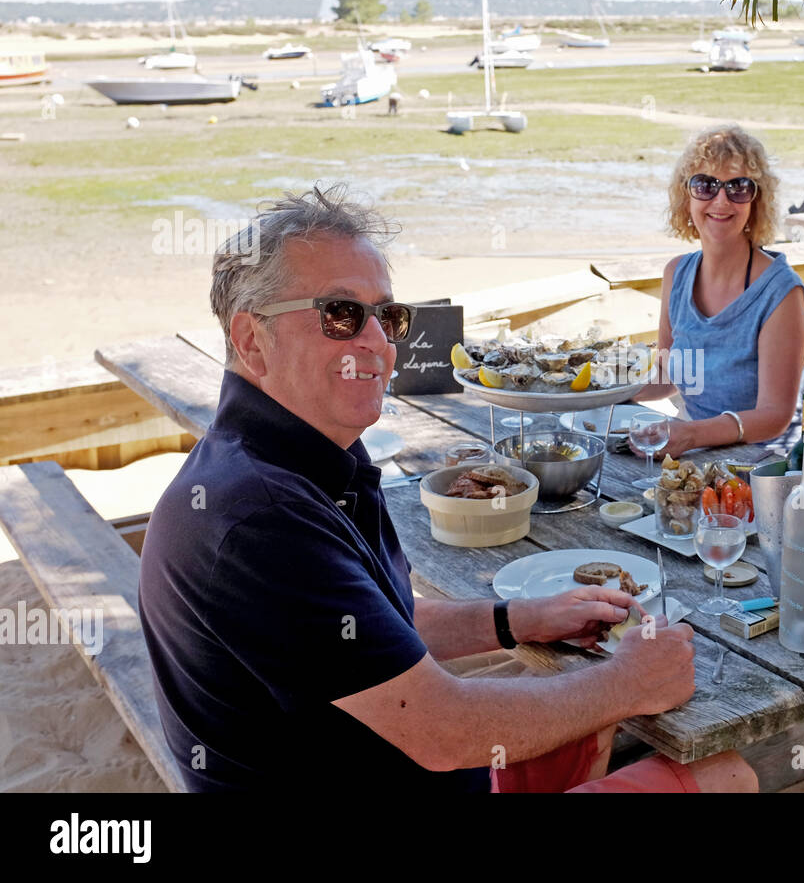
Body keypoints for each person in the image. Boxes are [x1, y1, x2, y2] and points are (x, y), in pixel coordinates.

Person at [138, 183, 758, 793]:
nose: (379, 342)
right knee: (726, 773)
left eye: (388, 316)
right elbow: (444, 731)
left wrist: (520, 619)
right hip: (431, 761)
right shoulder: (260, 519)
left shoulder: (298, 461)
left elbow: (374, 627)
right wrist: (630, 683)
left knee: (587, 722)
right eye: (341, 314)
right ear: (251, 339)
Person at [636, 124, 804, 458]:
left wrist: (690, 435)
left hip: (766, 463)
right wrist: (598, 391)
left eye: (738, 188)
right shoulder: (676, 273)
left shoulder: (782, 292)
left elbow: (774, 415)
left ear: (755, 201)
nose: (721, 200)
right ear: (685, 196)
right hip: (695, 451)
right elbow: (666, 375)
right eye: (705, 185)